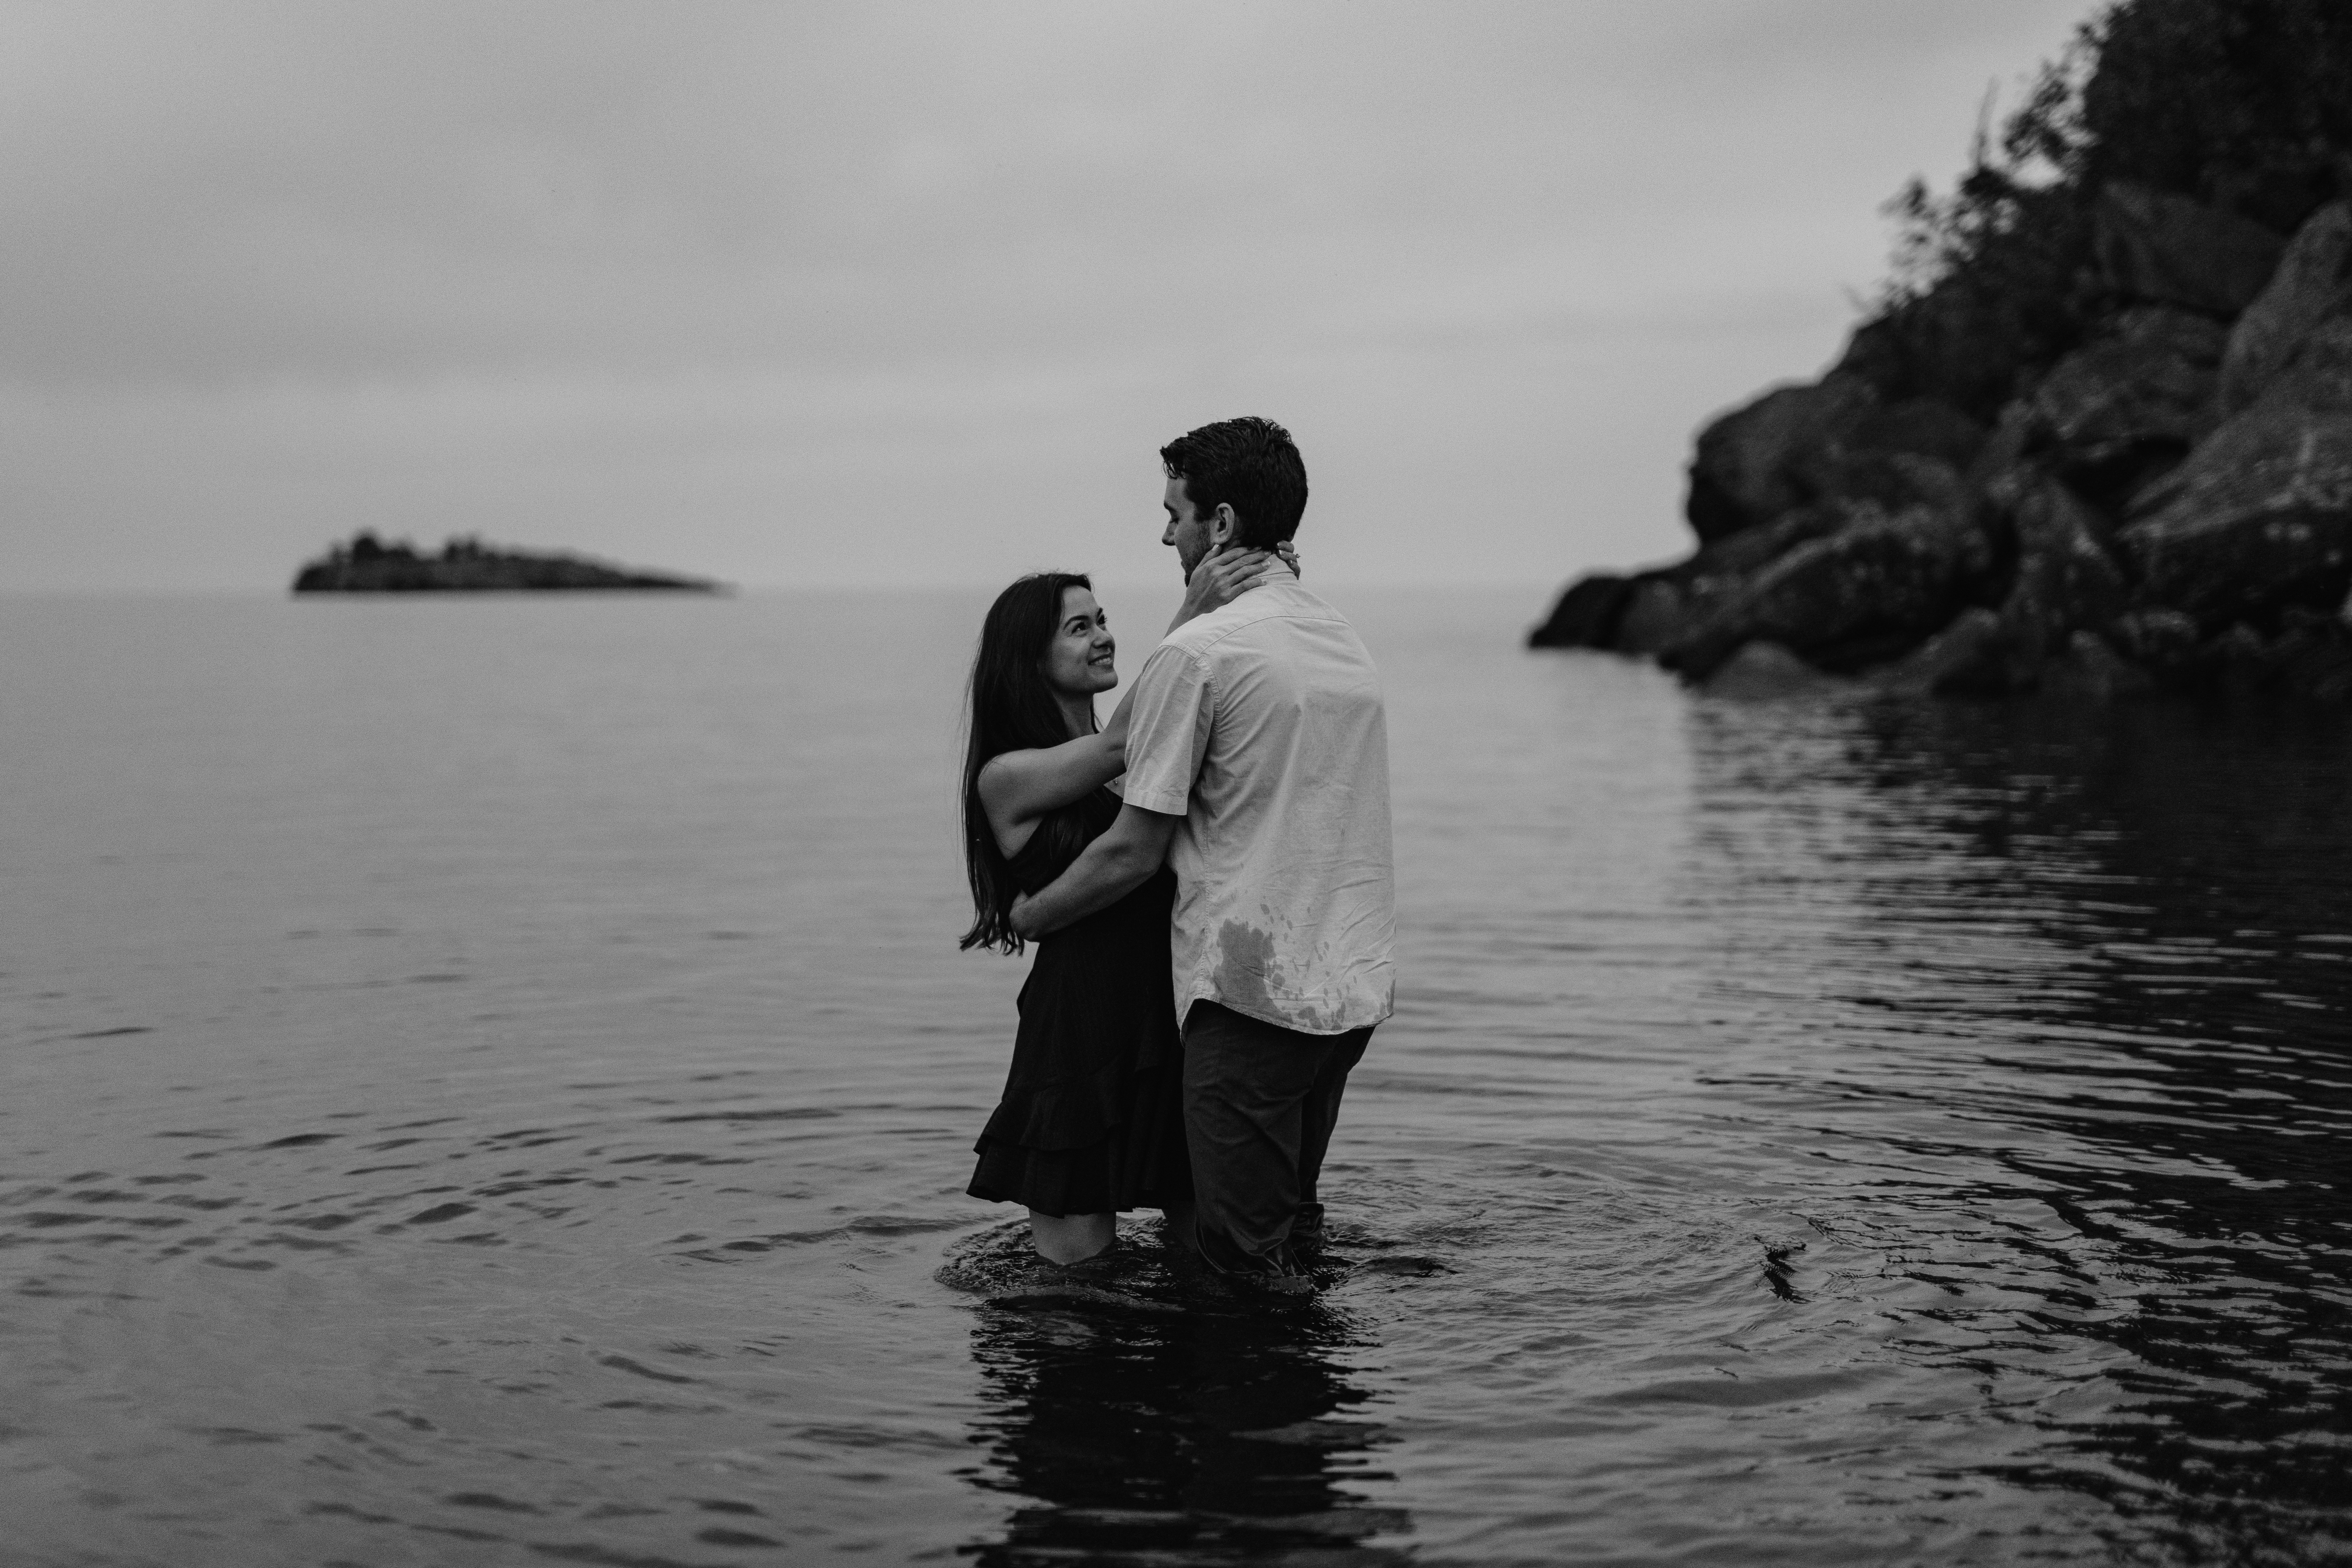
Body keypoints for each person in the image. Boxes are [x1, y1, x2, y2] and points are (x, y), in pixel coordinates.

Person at [1010, 417, 1395, 1286]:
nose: (1164, 534)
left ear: (1219, 524)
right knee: (1292, 1236)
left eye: (1174, 514)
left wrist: (1025, 914)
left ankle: (1254, 1414)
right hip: (1348, 990)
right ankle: (1313, 1405)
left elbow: (1132, 851)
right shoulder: (1342, 642)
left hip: (1250, 998)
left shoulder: (1202, 652)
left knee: (1237, 1267)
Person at [961, 548, 1294, 1265]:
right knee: (1072, 1293)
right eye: (1079, 627)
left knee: (1217, 1262)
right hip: (1077, 1034)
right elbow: (1120, 743)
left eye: (1102, 619)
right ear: (1030, 657)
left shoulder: (1140, 759)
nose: (1103, 635)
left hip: (1164, 1029)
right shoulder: (1008, 774)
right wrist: (1193, 612)